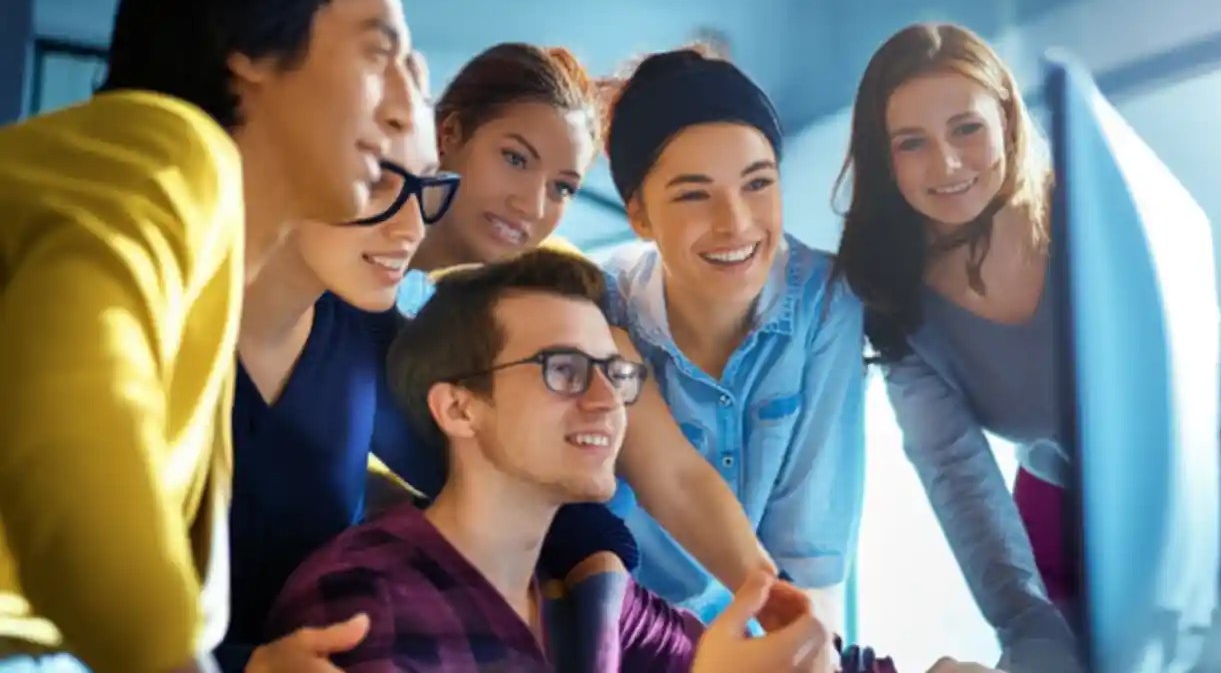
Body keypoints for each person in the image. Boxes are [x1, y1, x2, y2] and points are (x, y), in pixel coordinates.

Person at [0, 0, 412, 669]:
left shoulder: (206, 261)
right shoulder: (168, 148)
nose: (403, 105)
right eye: (378, 53)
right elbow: (74, 418)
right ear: (249, 50)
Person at [832, 22, 1221, 670]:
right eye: (911, 143)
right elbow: (954, 471)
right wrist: (1029, 630)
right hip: (1066, 535)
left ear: (1007, 118)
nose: (946, 163)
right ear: (885, 161)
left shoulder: (1094, 205)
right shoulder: (899, 303)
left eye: (966, 128)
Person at [268, 249, 889, 672]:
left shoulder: (594, 599)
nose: (606, 403)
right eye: (562, 370)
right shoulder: (361, 603)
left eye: (615, 375)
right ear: (459, 409)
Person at [384, 43, 795, 627]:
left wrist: (772, 599)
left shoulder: (561, 286)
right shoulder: (353, 267)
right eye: (515, 159)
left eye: (563, 188)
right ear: (448, 133)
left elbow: (672, 473)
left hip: (587, 604)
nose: (531, 204)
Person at [598, 48, 866, 632]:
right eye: (694, 194)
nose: (736, 222)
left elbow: (811, 564)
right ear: (639, 215)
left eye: (758, 183)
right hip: (633, 637)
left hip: (772, 636)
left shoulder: (825, 305)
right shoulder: (597, 311)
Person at [215, 52, 452, 671]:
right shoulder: (144, 333)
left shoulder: (366, 340)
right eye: (378, 179)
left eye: (426, 187)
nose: (412, 228)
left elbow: (493, 475)